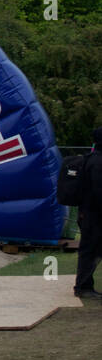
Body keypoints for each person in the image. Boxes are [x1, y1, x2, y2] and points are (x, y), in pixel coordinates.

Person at [73, 127, 102, 299]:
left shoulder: (90, 159)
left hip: (89, 214)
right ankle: (83, 287)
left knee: (91, 250)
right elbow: (98, 192)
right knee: (90, 251)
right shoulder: (97, 162)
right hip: (95, 215)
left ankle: (85, 285)